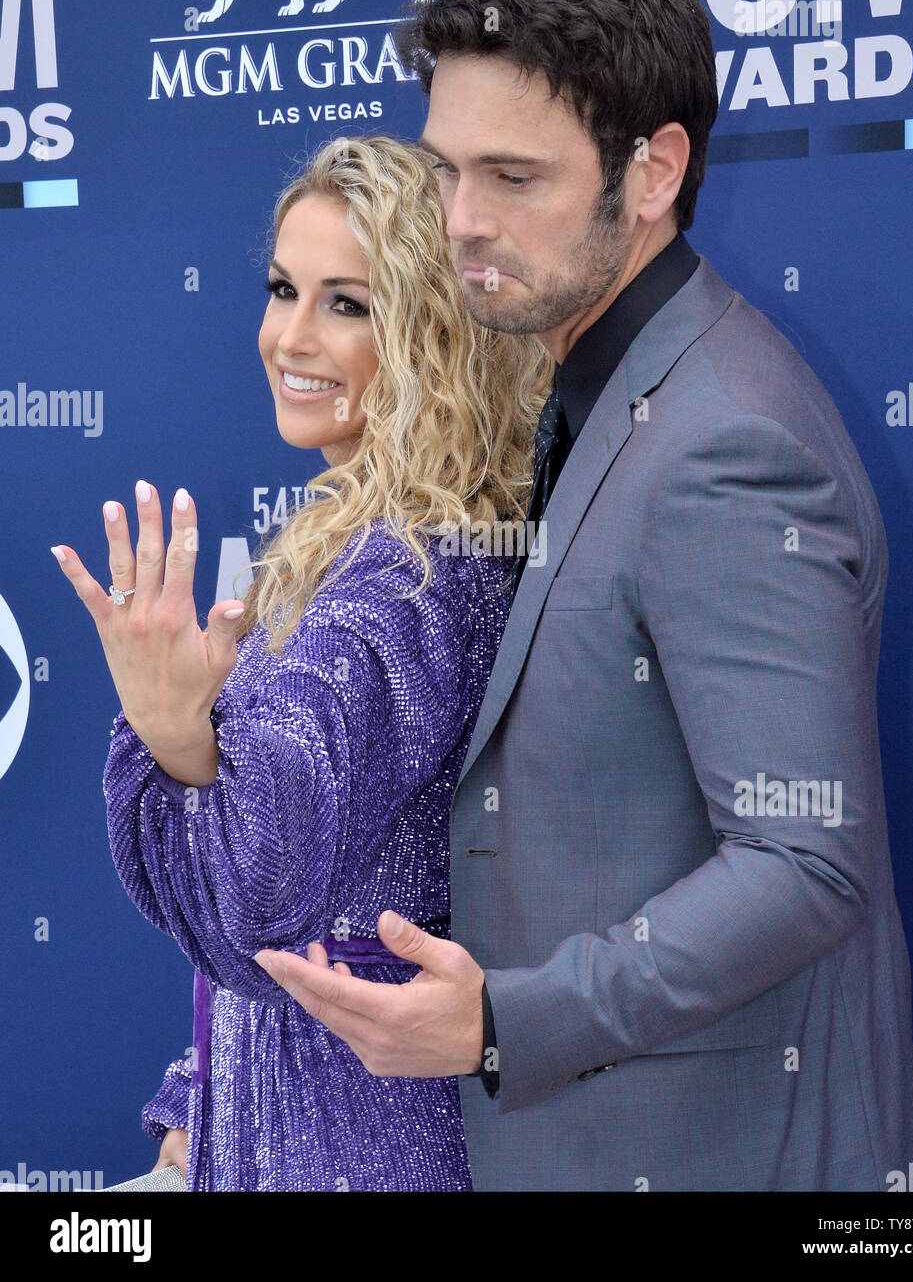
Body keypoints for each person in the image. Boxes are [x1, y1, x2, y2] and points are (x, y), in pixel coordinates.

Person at [254, 0, 913, 1190]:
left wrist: (508, 1022)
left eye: (514, 178)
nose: (461, 223)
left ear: (654, 170)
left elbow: (804, 861)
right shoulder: (594, 389)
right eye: (448, 170)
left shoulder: (726, 441)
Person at [50, 133, 553, 1190]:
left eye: (348, 303)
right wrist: (195, 1112)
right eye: (285, 289)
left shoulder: (405, 578)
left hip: (356, 1140)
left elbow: (260, 898)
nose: (291, 335)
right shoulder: (374, 541)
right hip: (303, 1120)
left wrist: (177, 735)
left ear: (431, 333)